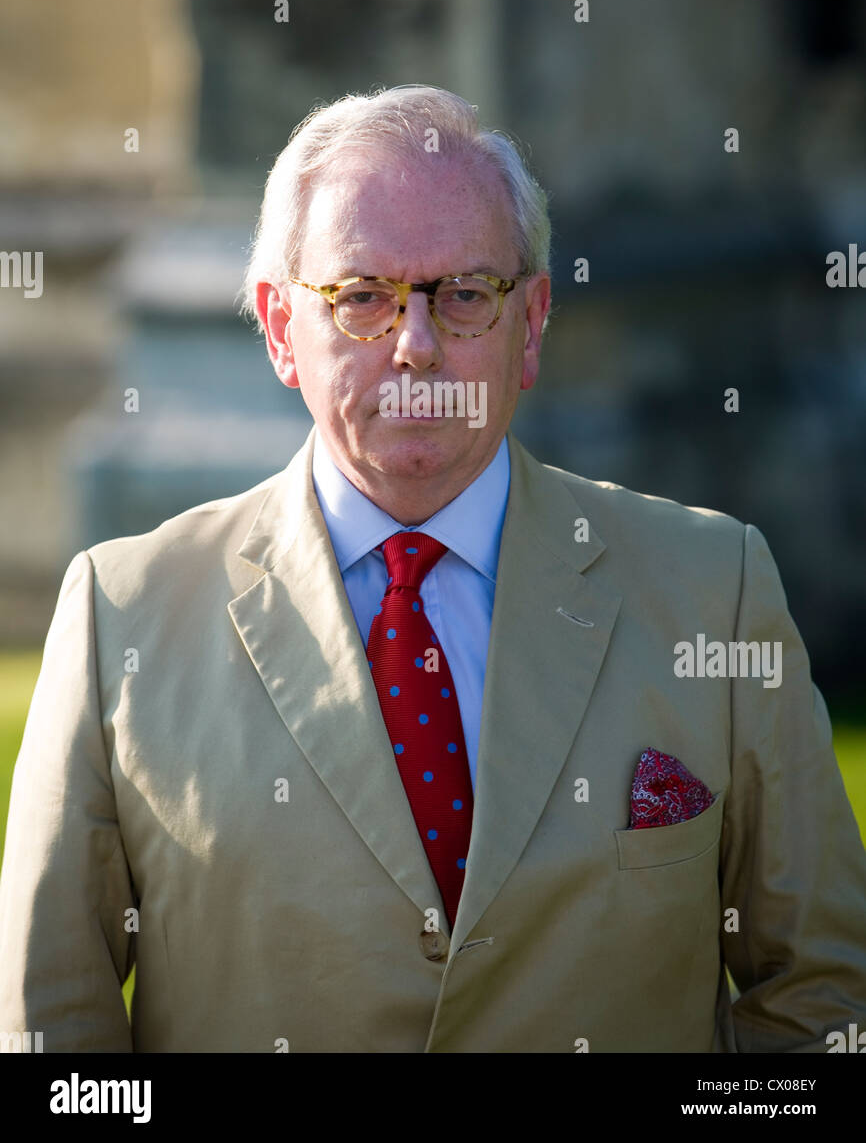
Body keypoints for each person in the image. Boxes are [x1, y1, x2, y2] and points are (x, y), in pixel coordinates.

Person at [1, 84, 864, 1054]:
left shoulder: (715, 590)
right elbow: (52, 1036)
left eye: (462, 294)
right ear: (282, 328)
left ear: (529, 322)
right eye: (362, 296)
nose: (415, 347)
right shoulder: (119, 616)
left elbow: (822, 999)